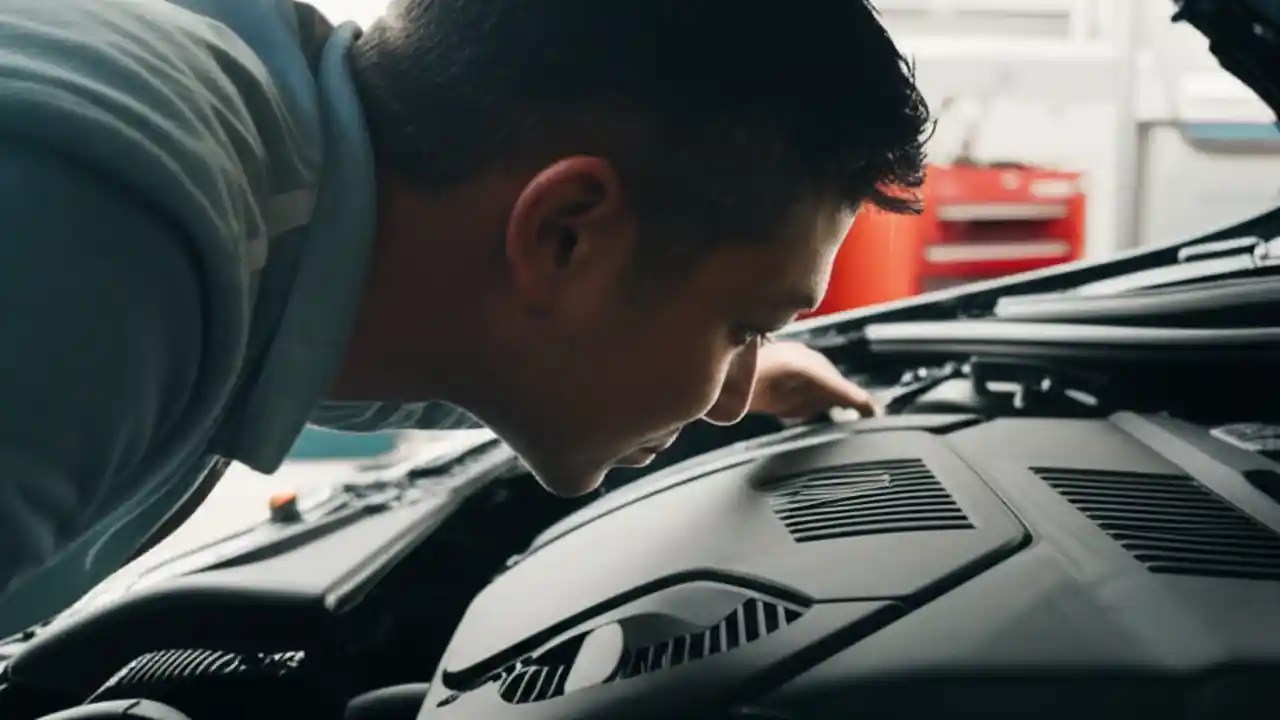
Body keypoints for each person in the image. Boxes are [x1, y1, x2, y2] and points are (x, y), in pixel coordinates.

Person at [0, 0, 930, 635]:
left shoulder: (298, 185)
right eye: (746, 323)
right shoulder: (105, 229)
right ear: (566, 235)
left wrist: (749, 373)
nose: (727, 401)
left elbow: (472, 343)